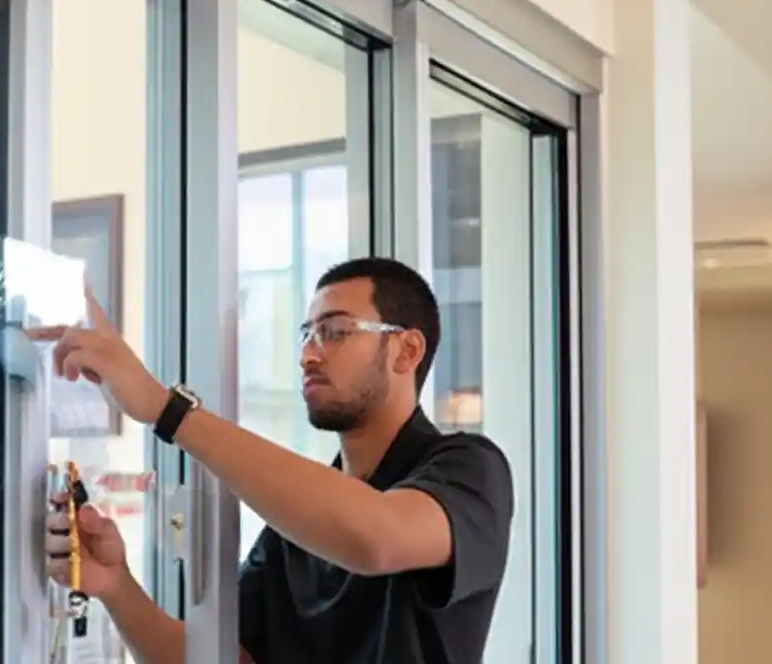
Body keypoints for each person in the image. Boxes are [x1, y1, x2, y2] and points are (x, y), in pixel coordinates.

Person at [32, 257, 513, 664]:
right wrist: (115, 584)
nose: (308, 355)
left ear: (406, 350)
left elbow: (376, 538)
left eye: (335, 332)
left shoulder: (469, 468)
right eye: (307, 334)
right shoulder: (299, 521)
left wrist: (165, 408)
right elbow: (214, 658)